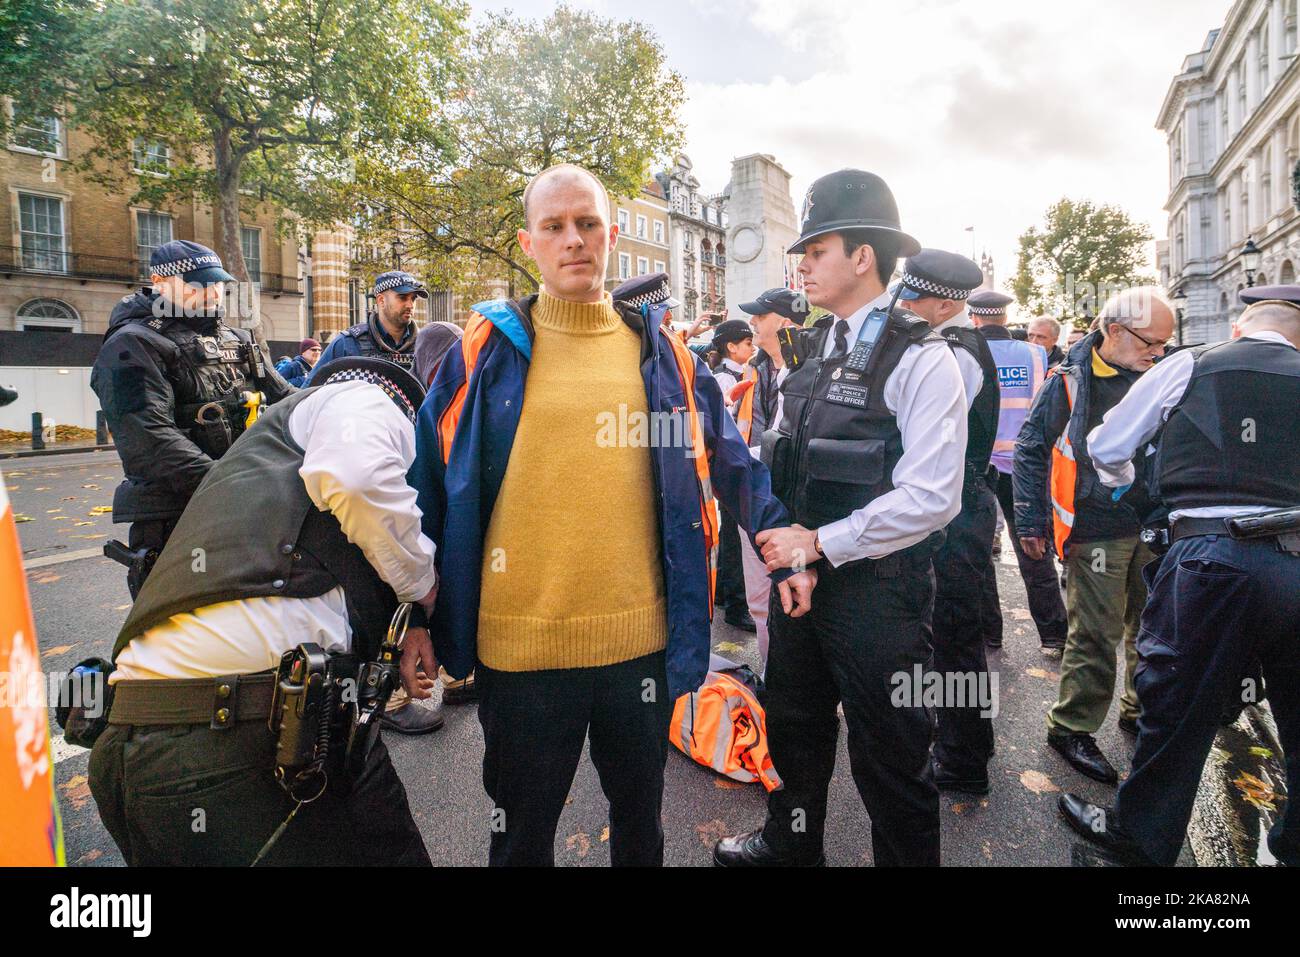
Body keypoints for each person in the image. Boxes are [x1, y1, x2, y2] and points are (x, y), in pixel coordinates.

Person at [408, 162, 810, 867]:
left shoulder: (666, 357)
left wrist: (786, 545)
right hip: (520, 656)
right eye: (554, 226)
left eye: (588, 223)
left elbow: (732, 462)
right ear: (529, 243)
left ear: (611, 235)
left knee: (640, 829)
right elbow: (425, 489)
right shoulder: (484, 352)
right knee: (520, 840)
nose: (573, 239)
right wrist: (413, 615)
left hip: (639, 651)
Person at [87, 356, 439, 866]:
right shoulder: (363, 396)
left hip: (138, 747)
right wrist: (422, 587)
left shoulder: (250, 467)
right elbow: (358, 479)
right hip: (248, 736)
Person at [714, 169, 968, 867]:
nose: (801, 263)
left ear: (862, 256)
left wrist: (820, 543)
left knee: (891, 753)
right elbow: (788, 455)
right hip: (803, 584)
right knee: (794, 725)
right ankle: (790, 845)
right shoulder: (819, 345)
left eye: (816, 250)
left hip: (879, 595)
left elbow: (933, 496)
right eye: (801, 250)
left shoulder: (923, 358)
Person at [1059, 285, 1300, 866]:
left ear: (1238, 329)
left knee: (1176, 707)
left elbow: (1106, 444)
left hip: (1212, 556)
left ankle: (1143, 839)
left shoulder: (1192, 364)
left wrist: (1131, 487)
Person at [1014, 287, 1174, 785]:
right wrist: (1030, 521)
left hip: (1155, 524)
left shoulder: (1164, 373)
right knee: (1096, 634)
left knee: (1152, 628)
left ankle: (1138, 711)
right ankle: (1071, 728)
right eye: (1151, 342)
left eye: (1164, 344)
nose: (1158, 353)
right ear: (1115, 331)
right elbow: (1030, 448)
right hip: (1095, 527)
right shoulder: (1068, 381)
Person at [91, 240, 293, 598]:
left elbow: (286, 398)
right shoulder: (133, 343)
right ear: (159, 283)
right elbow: (150, 439)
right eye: (198, 284)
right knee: (180, 618)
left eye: (216, 283)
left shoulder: (237, 338)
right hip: (177, 513)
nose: (212, 292)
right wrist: (230, 487)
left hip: (245, 500)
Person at [894, 250, 1000, 795]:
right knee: (953, 632)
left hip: (955, 506)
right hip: (963, 499)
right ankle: (966, 742)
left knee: (954, 635)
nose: (903, 307)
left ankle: (963, 759)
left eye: (912, 300)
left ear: (942, 305)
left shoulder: (952, 355)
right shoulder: (959, 343)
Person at [970, 290, 1068, 655]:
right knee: (1033, 547)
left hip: (980, 464)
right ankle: (1054, 634)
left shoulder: (965, 351)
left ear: (975, 318)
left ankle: (989, 633)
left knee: (979, 552)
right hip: (1024, 465)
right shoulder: (1034, 354)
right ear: (1006, 317)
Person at [735, 287, 807, 671]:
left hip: (789, 508)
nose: (752, 323)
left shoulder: (812, 369)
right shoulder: (757, 370)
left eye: (760, 316)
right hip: (753, 497)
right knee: (760, 600)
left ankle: (791, 681)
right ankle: (769, 675)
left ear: (784, 322)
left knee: (793, 600)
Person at [710, 318, 761, 633]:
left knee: (730, 533)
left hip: (737, 461)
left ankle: (722, 594)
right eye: (747, 343)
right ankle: (737, 606)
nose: (752, 348)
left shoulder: (744, 373)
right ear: (731, 346)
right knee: (735, 537)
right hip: (731, 463)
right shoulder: (724, 378)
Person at [309, 270, 426, 379]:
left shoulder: (425, 344)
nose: (410, 305)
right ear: (381, 300)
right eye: (403, 298)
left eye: (413, 299)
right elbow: (311, 388)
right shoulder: (348, 344)